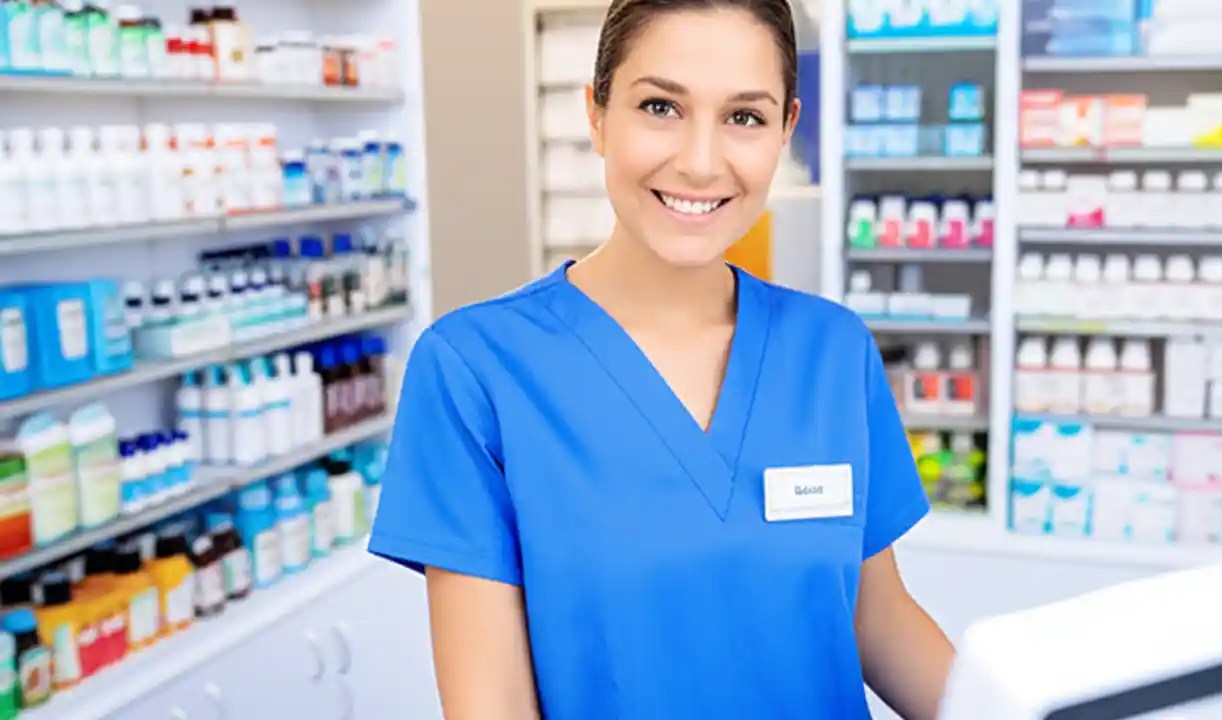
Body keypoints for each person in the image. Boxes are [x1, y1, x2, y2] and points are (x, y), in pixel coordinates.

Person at [368, 0, 955, 717]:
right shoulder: (475, 370)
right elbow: (492, 704)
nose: (701, 163)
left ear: (785, 129)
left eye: (745, 117)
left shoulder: (832, 351)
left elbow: (877, 618)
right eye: (660, 107)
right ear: (596, 114)